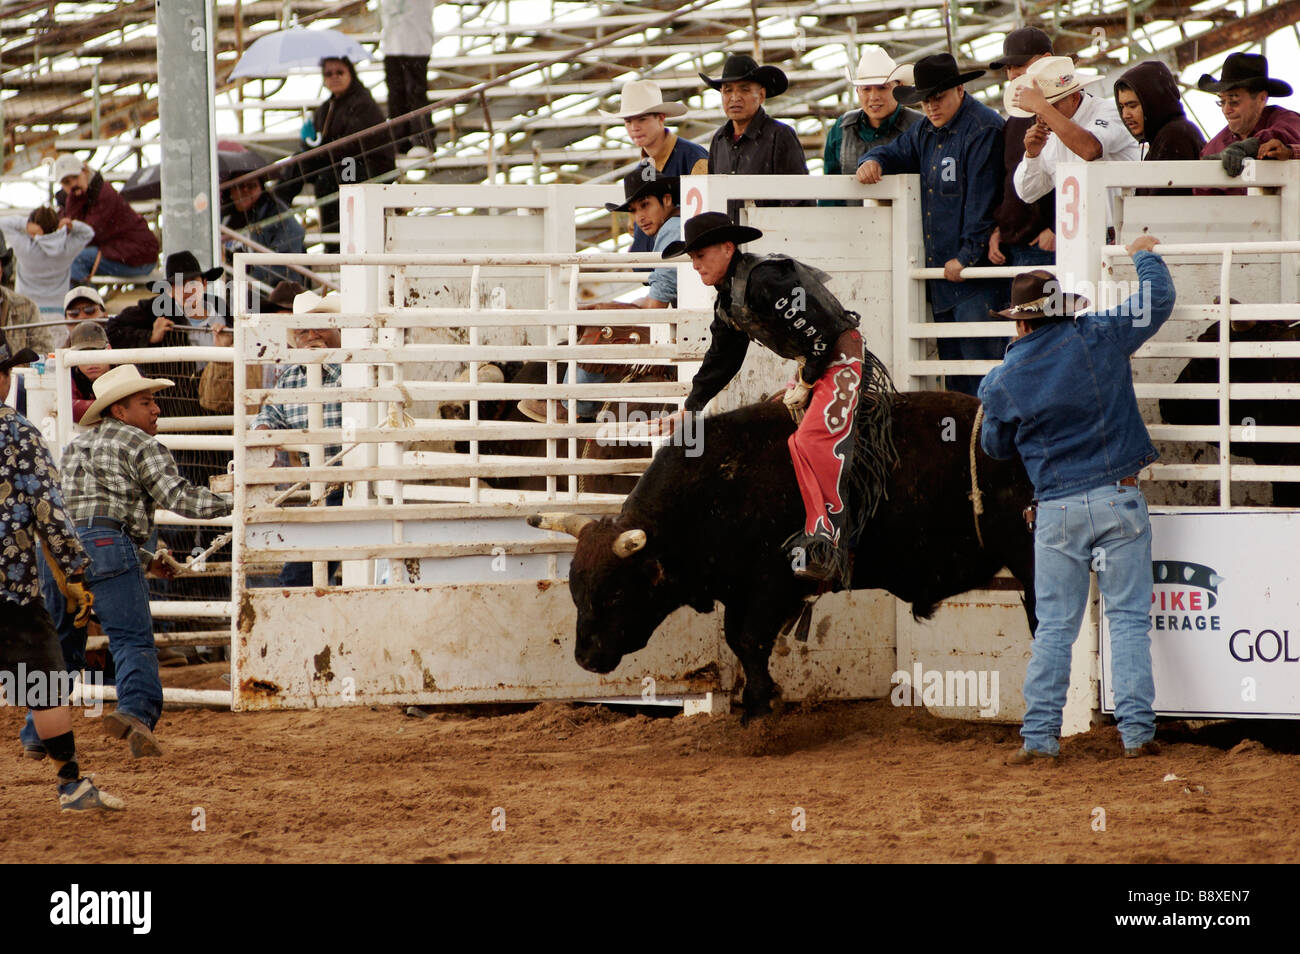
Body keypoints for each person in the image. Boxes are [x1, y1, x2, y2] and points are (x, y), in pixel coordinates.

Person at [978, 235, 1175, 763]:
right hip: (1118, 497)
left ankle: (1039, 739)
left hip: (1057, 510)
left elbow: (995, 446)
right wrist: (1143, 253)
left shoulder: (1005, 379)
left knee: (1056, 627)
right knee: (1128, 619)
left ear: (1021, 323)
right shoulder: (1100, 335)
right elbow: (1159, 300)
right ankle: (1136, 735)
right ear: (1062, 309)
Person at [653, 212, 892, 584]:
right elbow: (723, 357)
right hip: (814, 363)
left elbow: (823, 334)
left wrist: (808, 380)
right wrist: (691, 406)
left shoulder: (766, 279)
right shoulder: (729, 300)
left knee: (811, 440)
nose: (695, 264)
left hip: (839, 356)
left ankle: (829, 543)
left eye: (701, 255)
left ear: (728, 248)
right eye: (692, 257)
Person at [56, 364, 233, 756]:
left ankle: (37, 734)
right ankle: (136, 712)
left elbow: (84, 518)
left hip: (62, 551)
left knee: (65, 645)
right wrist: (238, 501)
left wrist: (146, 557)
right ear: (120, 411)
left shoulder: (75, 447)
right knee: (132, 639)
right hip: (108, 546)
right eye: (146, 402)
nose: (156, 409)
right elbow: (180, 499)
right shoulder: (142, 445)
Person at [1, 331, 125, 811]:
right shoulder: (16, 433)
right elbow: (48, 509)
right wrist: (73, 571)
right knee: (44, 679)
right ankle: (70, 783)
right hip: (10, 583)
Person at [858, 53, 1007, 396]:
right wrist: (872, 159)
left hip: (973, 278)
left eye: (937, 97)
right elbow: (895, 151)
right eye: (925, 100)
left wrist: (968, 256)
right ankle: (970, 446)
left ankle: (990, 446)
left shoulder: (983, 129)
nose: (930, 107)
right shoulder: (925, 129)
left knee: (984, 375)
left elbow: (982, 200)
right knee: (959, 378)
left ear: (958, 90)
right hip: (947, 277)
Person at [518, 170, 681, 423]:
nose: (640, 217)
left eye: (645, 205)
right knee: (604, 314)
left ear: (667, 201)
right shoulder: (673, 226)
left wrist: (610, 310)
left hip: (681, 329)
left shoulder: (671, 230)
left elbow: (656, 305)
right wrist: (610, 305)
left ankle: (575, 403)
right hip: (683, 322)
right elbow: (658, 297)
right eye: (635, 210)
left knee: (602, 326)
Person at [252, 291, 344, 587]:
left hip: (361, 481)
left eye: (319, 325)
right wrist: (262, 431)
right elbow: (268, 416)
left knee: (304, 568)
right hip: (323, 487)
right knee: (311, 564)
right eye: (303, 330)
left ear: (336, 328)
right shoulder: (292, 377)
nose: (311, 335)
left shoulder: (356, 368)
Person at [1008, 56, 1140, 230]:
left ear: (1074, 97)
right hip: (1075, 239)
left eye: (1051, 106)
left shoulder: (1108, 111)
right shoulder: (1051, 131)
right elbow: (1027, 193)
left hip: (1119, 234)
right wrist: (1032, 155)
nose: (1042, 116)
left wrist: (1042, 107)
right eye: (1038, 109)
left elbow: (1090, 149)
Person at [278, 58, 397, 251]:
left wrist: (321, 148)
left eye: (339, 72)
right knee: (299, 161)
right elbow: (321, 144)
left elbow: (353, 145)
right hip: (336, 162)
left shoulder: (363, 103)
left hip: (365, 166)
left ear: (350, 73)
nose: (334, 77)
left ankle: (338, 243)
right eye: (328, 73)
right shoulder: (327, 107)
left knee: (333, 178)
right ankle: (277, 205)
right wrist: (308, 143)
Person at [599, 79, 707, 254]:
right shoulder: (642, 169)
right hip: (656, 269)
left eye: (642, 119)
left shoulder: (693, 158)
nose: (634, 127)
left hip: (681, 269)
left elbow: (705, 219)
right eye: (628, 121)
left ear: (661, 118)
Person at [702, 54, 809, 216]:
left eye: (744, 89)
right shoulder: (719, 139)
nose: (734, 97)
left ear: (761, 95)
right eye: (727, 90)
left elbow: (798, 198)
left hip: (770, 236)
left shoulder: (780, 136)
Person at [987, 27, 1057, 268]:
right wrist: (1000, 229)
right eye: (1008, 67)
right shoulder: (1015, 118)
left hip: (1043, 246)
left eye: (1019, 64)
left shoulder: (1065, 112)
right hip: (1014, 246)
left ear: (1046, 62)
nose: (1012, 73)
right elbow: (1008, 179)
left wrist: (1057, 229)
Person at [1195, 53, 1299, 194]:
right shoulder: (1213, 148)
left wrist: (1250, 146)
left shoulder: (1285, 119)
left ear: (1262, 99)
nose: (1226, 110)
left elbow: (1286, 133)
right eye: (1222, 101)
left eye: (1234, 101)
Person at [53, 154, 160, 285]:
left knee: (75, 259)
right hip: (124, 254)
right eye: (67, 182)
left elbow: (85, 235)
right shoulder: (80, 197)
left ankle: (84, 303)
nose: (73, 184)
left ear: (85, 171)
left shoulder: (103, 194)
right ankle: (83, 301)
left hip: (140, 258)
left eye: (75, 177)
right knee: (68, 259)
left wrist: (73, 200)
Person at [823, 46, 920, 177]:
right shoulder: (840, 128)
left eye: (882, 88)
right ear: (857, 91)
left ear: (899, 88)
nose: (874, 97)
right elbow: (830, 189)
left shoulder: (920, 127)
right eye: (866, 89)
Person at [1114, 61, 1206, 195]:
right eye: (1122, 107)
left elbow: (1164, 207)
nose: (1125, 115)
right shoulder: (1165, 137)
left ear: (1153, 103)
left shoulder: (1175, 136)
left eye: (1132, 105)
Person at [0, 207, 94, 316]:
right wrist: (71, 225)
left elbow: (2, 224)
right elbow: (88, 233)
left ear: (33, 226)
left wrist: (24, 224)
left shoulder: (26, 248)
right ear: (57, 225)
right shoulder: (66, 249)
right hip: (58, 312)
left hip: (27, 311)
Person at [221, 176, 306, 291]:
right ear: (230, 190)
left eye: (251, 186)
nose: (245, 191)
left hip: (268, 291)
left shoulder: (277, 214)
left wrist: (251, 282)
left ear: (261, 187)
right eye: (239, 186)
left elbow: (285, 258)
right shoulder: (222, 217)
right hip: (231, 288)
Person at [380, 0, 437, 155]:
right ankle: (400, 141)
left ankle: (421, 139)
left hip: (415, 43)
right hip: (394, 43)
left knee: (414, 93)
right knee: (397, 95)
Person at [66, 319, 112, 424]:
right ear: (73, 356)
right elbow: (67, 406)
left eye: (96, 352)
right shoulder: (68, 374)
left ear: (108, 349)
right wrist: (111, 408)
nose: (91, 362)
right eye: (82, 355)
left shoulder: (125, 367)